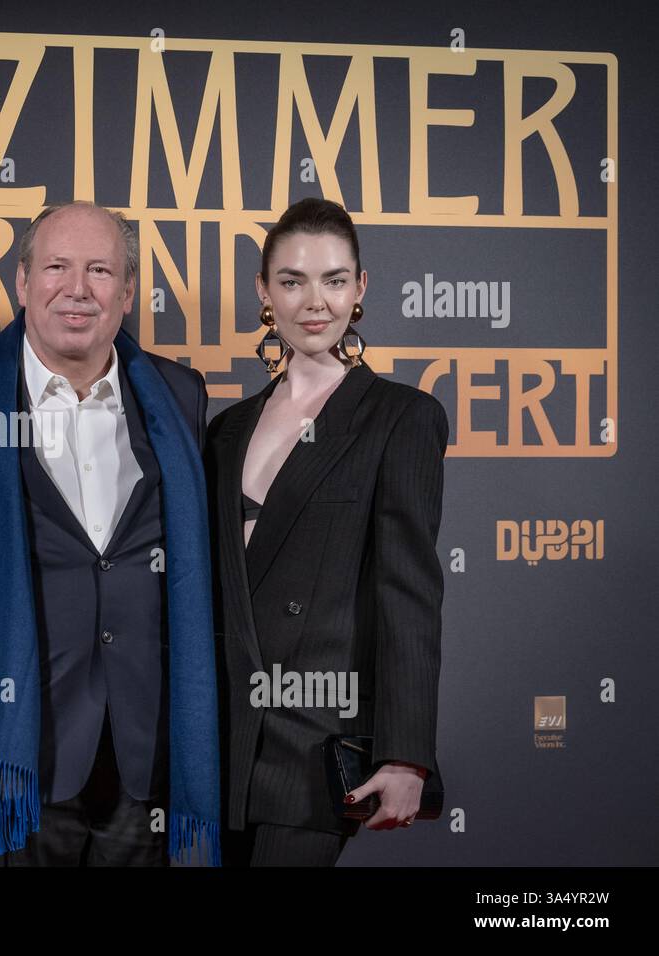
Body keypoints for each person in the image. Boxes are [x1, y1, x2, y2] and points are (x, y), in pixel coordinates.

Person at [0, 201, 220, 866]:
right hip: (10, 753)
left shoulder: (179, 395)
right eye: (56, 267)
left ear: (129, 291)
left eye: (100, 270)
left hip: (144, 759)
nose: (77, 288)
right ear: (23, 283)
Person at [205, 197, 448, 866]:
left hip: (312, 743)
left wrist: (405, 755)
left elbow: (409, 595)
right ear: (263, 291)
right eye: (293, 281)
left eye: (335, 280)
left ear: (360, 288)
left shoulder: (401, 418)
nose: (315, 303)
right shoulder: (226, 430)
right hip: (217, 743)